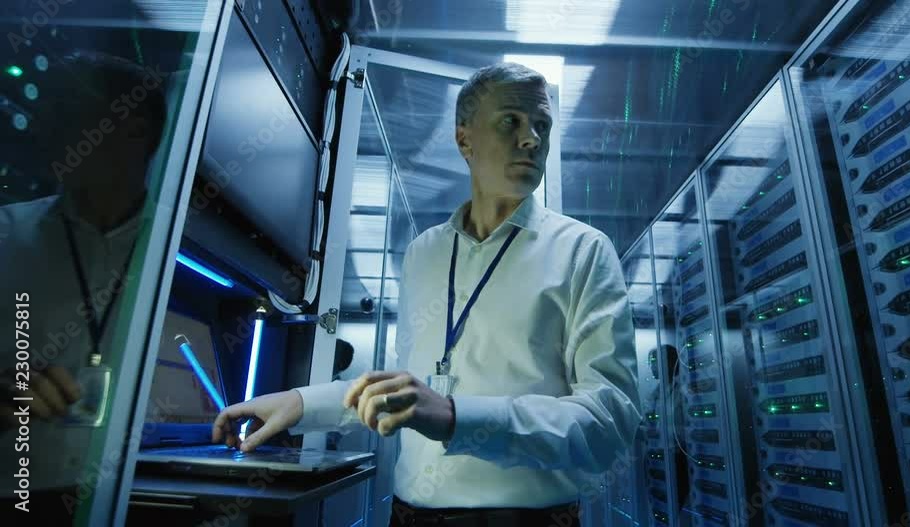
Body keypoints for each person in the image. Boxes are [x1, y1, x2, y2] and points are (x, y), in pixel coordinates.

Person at [212, 63, 641, 526]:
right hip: (407, 517)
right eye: (511, 121)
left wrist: (457, 417)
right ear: (464, 140)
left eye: (542, 125)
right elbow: (408, 388)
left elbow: (611, 421)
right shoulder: (423, 252)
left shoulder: (583, 251)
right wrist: (300, 404)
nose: (532, 138)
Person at [0, 50, 167, 520]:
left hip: (136, 502)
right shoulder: (6, 235)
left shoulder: (179, 251)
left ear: (137, 133)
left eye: (69, 114)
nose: (45, 131)